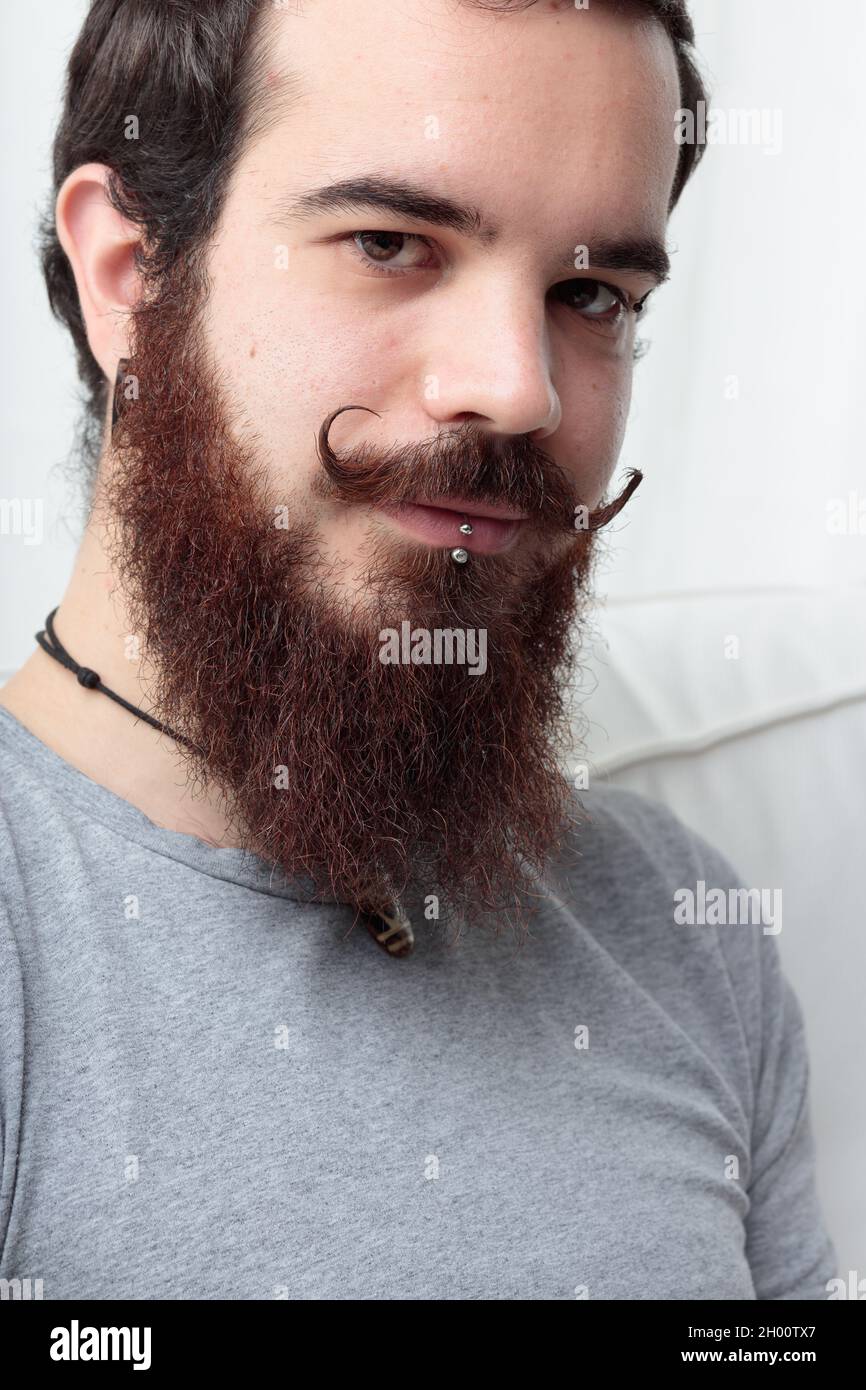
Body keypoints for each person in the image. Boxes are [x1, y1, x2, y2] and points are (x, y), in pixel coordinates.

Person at [0, 0, 836, 1299]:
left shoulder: (679, 928)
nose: (519, 390)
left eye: (587, 293)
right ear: (128, 274)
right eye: (391, 242)